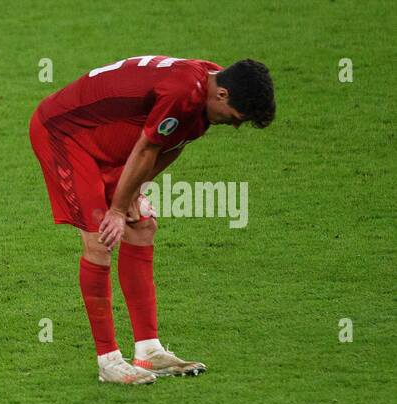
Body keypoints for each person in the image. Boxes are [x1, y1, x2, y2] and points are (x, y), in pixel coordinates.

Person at [30, 56, 275, 384]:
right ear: (222, 95)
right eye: (235, 118)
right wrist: (116, 209)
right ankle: (109, 361)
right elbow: (147, 148)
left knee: (143, 225)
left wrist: (134, 192)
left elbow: (170, 145)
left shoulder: (208, 89)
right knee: (100, 239)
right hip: (66, 135)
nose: (233, 125)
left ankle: (148, 351)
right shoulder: (184, 92)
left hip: (107, 144)